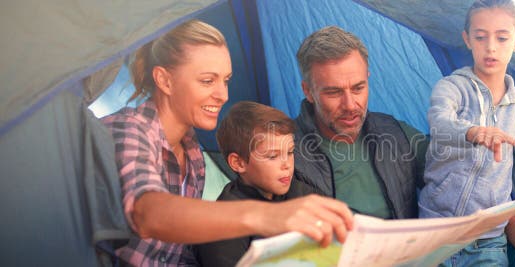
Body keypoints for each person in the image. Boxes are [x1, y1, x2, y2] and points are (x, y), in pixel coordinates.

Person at [102, 20, 352, 266]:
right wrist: (266, 216)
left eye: (226, 80)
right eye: (207, 81)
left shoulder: (191, 151)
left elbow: (177, 253)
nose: (223, 95)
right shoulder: (128, 131)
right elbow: (148, 214)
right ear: (165, 81)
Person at [418, 0, 515, 266]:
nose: (491, 47)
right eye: (481, 37)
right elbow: (439, 122)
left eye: (502, 38)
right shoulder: (452, 87)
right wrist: (472, 132)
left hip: (488, 244)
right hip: (434, 234)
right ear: (467, 39)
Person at [292, 26, 428, 219]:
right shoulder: (283, 151)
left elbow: (455, 175)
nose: (349, 105)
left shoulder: (396, 133)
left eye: (358, 88)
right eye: (333, 92)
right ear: (308, 91)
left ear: (368, 80)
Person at [195, 101, 323, 267]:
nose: (287, 164)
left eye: (290, 152)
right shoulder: (224, 222)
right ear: (238, 163)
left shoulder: (303, 194)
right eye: (272, 156)